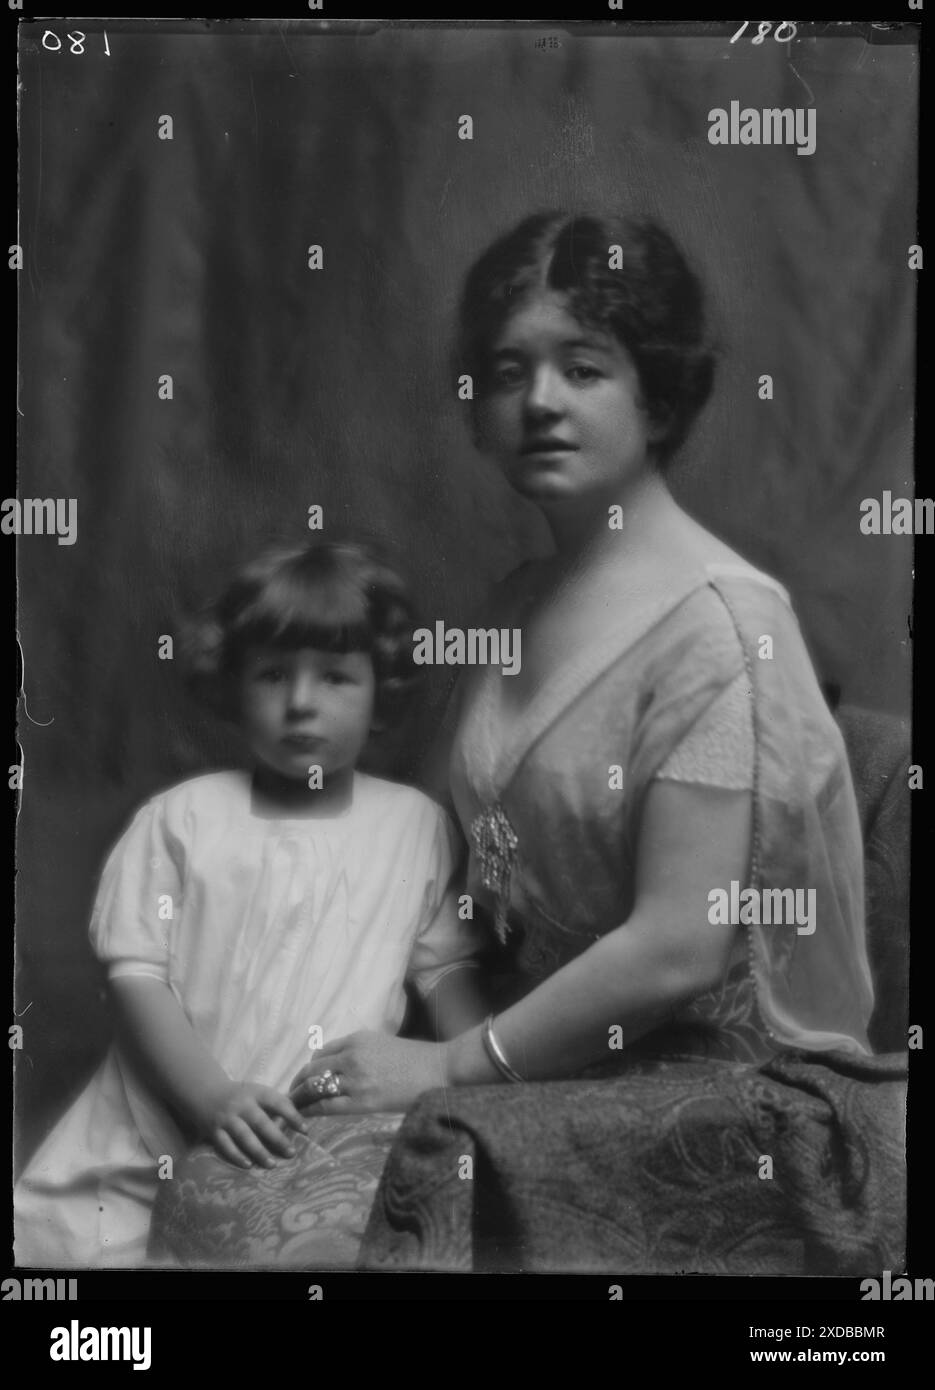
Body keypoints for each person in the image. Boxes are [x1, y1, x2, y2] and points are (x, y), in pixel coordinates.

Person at [288, 211, 875, 1123]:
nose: (540, 402)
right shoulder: (513, 603)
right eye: (508, 372)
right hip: (520, 1050)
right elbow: (456, 874)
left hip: (702, 1092)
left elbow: (678, 947)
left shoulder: (723, 627)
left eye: (584, 368)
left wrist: (447, 1073)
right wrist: (442, 1039)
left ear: (661, 401)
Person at [14, 539, 487, 1268]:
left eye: (335, 677)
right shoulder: (184, 818)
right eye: (272, 675)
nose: (301, 703)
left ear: (381, 689)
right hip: (156, 1138)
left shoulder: (413, 826)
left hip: (312, 1155)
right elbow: (136, 976)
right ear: (234, 684)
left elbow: (444, 975)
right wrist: (211, 1097)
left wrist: (476, 1074)